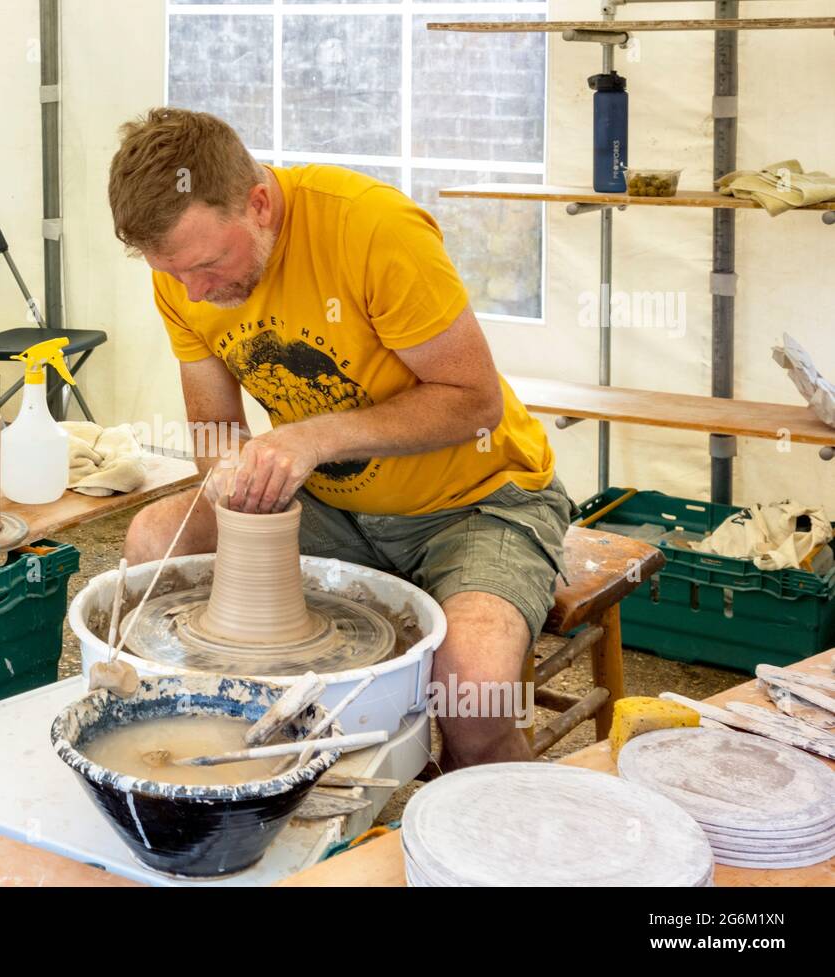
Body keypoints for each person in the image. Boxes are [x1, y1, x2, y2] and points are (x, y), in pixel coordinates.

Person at [107, 108, 575, 770]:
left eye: (208, 264)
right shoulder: (184, 272)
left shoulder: (370, 230)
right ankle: (216, 777)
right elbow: (217, 426)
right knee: (156, 540)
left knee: (474, 690)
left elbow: (475, 401)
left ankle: (492, 840)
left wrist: (312, 438)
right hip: (328, 501)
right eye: (173, 271)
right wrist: (229, 479)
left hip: (474, 499)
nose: (194, 290)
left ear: (260, 204)